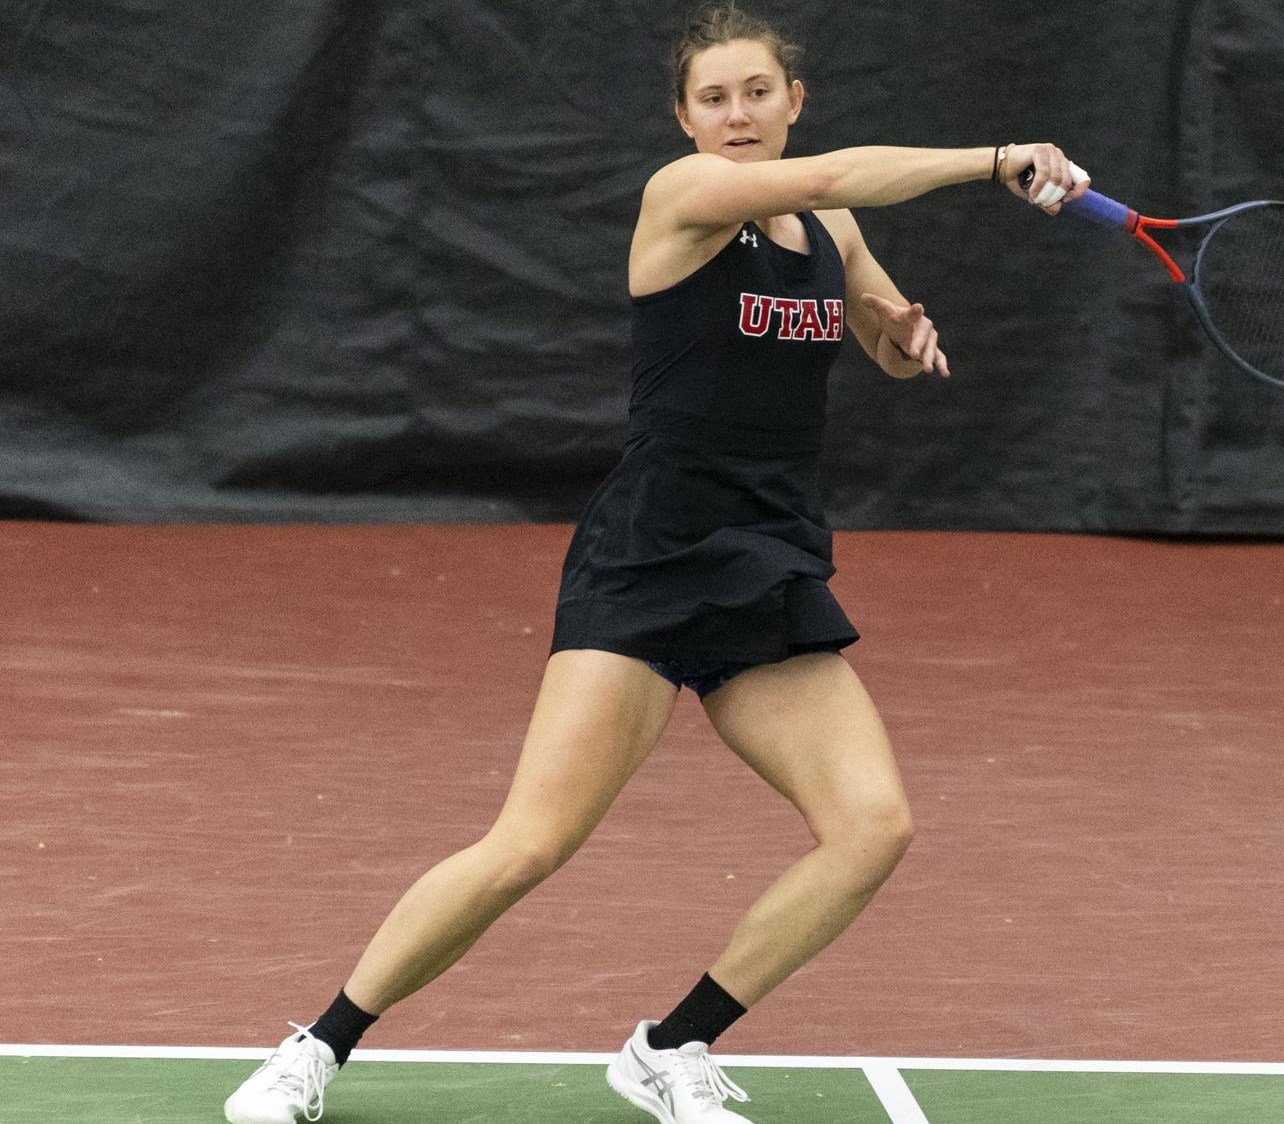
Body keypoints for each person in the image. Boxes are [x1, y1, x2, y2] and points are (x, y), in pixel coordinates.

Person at [221, 6, 1087, 1123]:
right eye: (714, 98)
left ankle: (672, 1044)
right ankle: (316, 1045)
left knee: (872, 825)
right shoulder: (683, 198)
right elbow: (838, 179)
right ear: (684, 119)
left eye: (757, 93)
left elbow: (867, 318)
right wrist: (991, 159)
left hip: (765, 560)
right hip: (650, 552)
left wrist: (898, 335)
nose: (737, 115)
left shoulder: (826, 229)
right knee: (528, 843)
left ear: (791, 100)